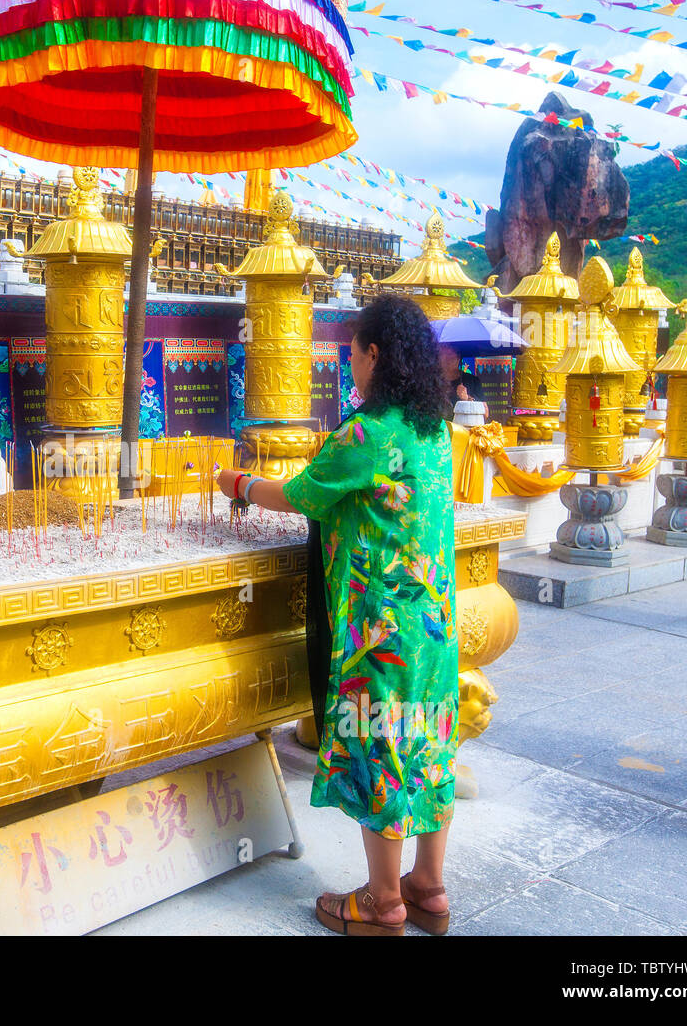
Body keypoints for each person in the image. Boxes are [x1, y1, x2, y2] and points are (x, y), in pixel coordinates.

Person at [217, 294, 459, 937]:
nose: (349, 361)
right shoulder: (435, 430)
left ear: (375, 353)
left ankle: (383, 904)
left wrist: (236, 483)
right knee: (429, 743)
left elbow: (298, 494)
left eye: (352, 350)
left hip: (380, 630)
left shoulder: (366, 433)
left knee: (379, 748)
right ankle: (428, 885)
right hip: (435, 627)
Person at [439, 344, 484, 420]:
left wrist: (467, 398)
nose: (448, 359)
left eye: (451, 355)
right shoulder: (431, 381)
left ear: (458, 358)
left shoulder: (472, 380)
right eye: (444, 355)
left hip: (465, 429)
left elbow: (485, 413)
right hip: (437, 429)